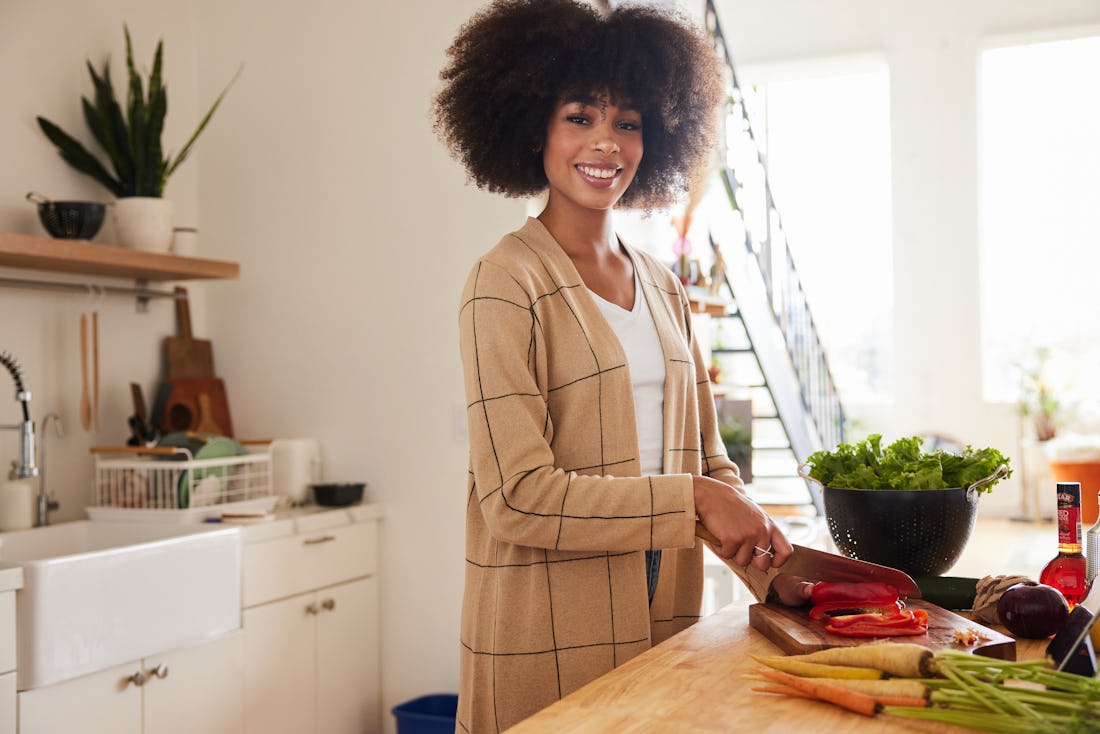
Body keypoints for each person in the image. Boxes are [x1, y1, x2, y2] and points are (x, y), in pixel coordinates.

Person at [434, 1, 812, 730]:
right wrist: (695, 499)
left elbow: (710, 461)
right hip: (546, 621)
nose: (606, 142)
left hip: (663, 607)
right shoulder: (504, 282)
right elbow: (516, 498)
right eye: (580, 116)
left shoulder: (663, 287)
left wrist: (779, 569)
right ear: (533, 126)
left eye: (628, 123)